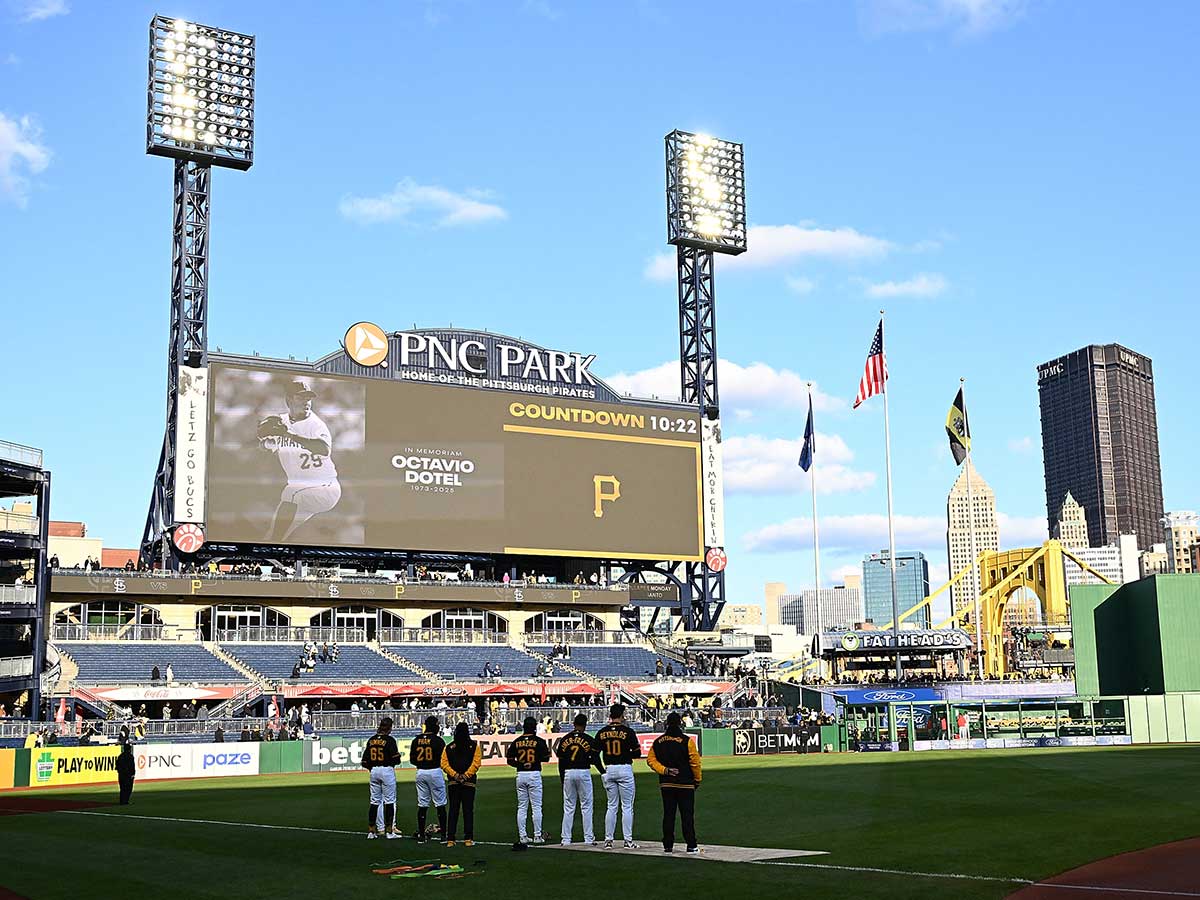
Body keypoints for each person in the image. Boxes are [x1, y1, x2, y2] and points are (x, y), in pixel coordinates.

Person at [257, 379, 342, 542]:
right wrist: (264, 441)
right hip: (303, 490)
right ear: (289, 399)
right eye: (300, 397)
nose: (306, 402)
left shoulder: (316, 425)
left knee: (290, 493)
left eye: (308, 398)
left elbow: (324, 449)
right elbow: (269, 445)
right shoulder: (281, 422)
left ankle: (273, 543)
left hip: (325, 488)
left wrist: (289, 435)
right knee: (276, 533)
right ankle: (272, 548)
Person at [647, 712, 702, 853]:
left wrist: (665, 770)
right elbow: (695, 762)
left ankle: (668, 845)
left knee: (668, 815)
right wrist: (697, 780)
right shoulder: (686, 741)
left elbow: (651, 760)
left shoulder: (658, 741)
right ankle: (691, 845)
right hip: (686, 783)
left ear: (667, 723)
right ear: (680, 723)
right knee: (687, 816)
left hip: (666, 784)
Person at [597, 703, 642, 849]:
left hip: (609, 769)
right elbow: (637, 753)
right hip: (624, 769)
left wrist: (602, 771)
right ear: (622, 715)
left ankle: (608, 840)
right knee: (627, 806)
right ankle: (628, 841)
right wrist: (625, 753)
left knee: (611, 806)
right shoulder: (628, 731)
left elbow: (593, 754)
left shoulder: (602, 732)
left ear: (610, 715)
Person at [555, 713, 605, 846]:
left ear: (573, 724)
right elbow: (595, 758)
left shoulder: (565, 739)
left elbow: (561, 762)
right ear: (585, 725)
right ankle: (588, 838)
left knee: (569, 807)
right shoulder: (588, 739)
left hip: (568, 773)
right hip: (583, 772)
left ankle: (565, 839)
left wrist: (562, 779)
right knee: (586, 806)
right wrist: (603, 772)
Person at [506, 716, 551, 845]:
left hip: (520, 774)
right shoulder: (539, 741)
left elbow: (509, 759)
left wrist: (520, 764)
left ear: (524, 727)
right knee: (536, 807)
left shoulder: (517, 741)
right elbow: (547, 758)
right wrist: (534, 761)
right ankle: (537, 836)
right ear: (535, 728)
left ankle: (523, 836)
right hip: (534, 774)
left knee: (522, 807)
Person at [440, 722, 482, 847]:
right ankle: (468, 839)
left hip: (453, 782)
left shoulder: (449, 747)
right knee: (468, 810)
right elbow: (476, 763)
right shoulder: (474, 746)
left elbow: (444, 764)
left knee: (453, 810)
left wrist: (455, 775)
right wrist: (466, 776)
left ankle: (450, 839)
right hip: (469, 783)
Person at [360, 717, 403, 840]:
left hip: (374, 771)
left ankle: (372, 831)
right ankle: (389, 832)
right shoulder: (389, 740)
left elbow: (364, 761)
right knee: (389, 801)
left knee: (374, 802)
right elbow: (396, 759)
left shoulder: (371, 740)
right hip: (386, 770)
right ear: (389, 728)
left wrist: (372, 769)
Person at [410, 716, 448, 842]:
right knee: (440, 804)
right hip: (435, 771)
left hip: (420, 772)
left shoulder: (416, 740)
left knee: (422, 804)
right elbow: (444, 759)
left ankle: (421, 835)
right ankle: (444, 836)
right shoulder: (438, 740)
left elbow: (412, 759)